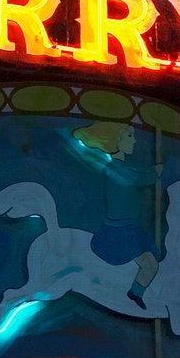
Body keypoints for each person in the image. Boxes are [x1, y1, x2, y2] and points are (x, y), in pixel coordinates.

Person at [71, 121, 160, 307]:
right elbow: (139, 177)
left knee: (151, 263)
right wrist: (156, 171)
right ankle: (134, 293)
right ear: (116, 141)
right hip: (119, 233)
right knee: (150, 265)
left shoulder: (117, 168)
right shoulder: (116, 169)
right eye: (129, 136)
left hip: (128, 230)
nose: (134, 141)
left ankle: (135, 293)